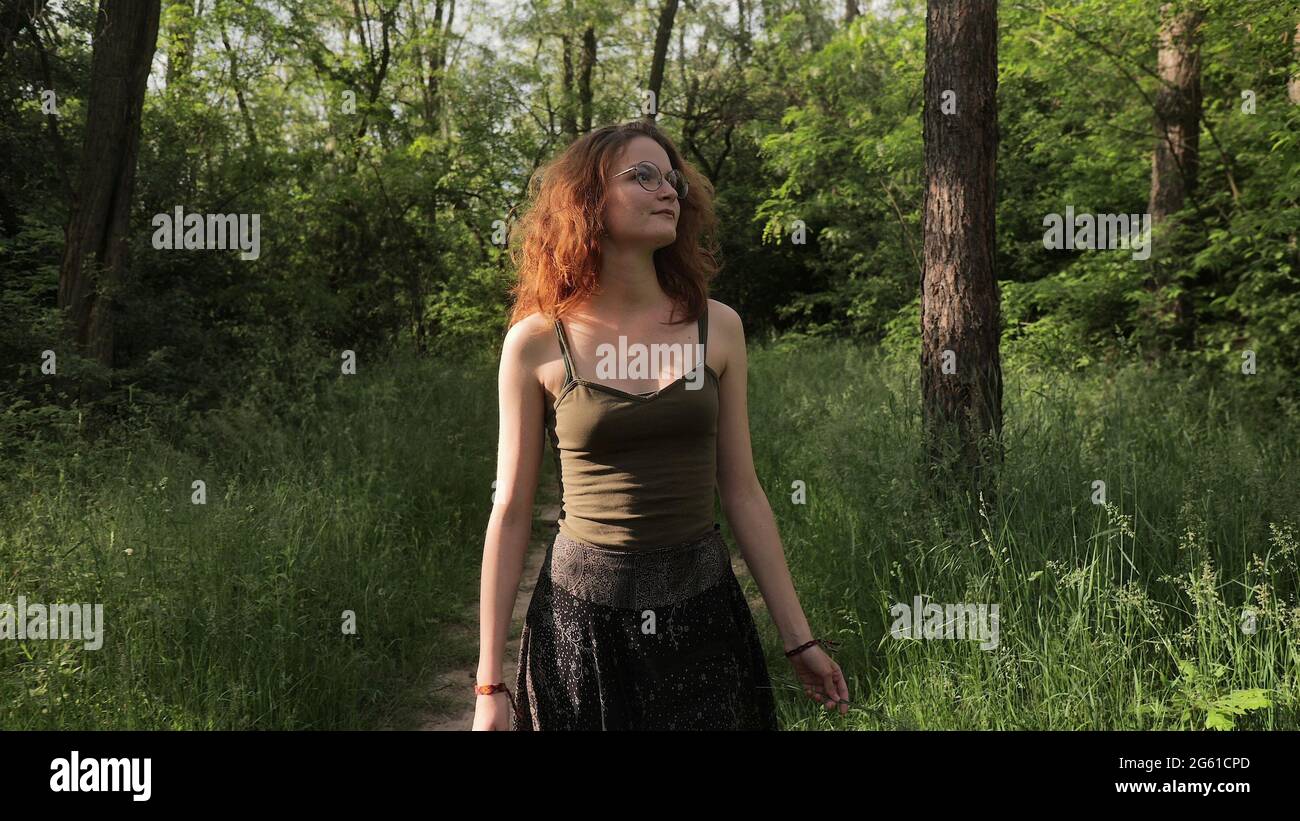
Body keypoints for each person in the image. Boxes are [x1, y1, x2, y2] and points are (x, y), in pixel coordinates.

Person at [472, 119, 849, 730]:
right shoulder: (537, 342)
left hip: (704, 618)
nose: (668, 189)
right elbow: (511, 509)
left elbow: (743, 490)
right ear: (586, 200)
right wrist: (490, 684)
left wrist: (799, 639)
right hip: (581, 625)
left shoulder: (717, 327)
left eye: (672, 178)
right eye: (642, 176)